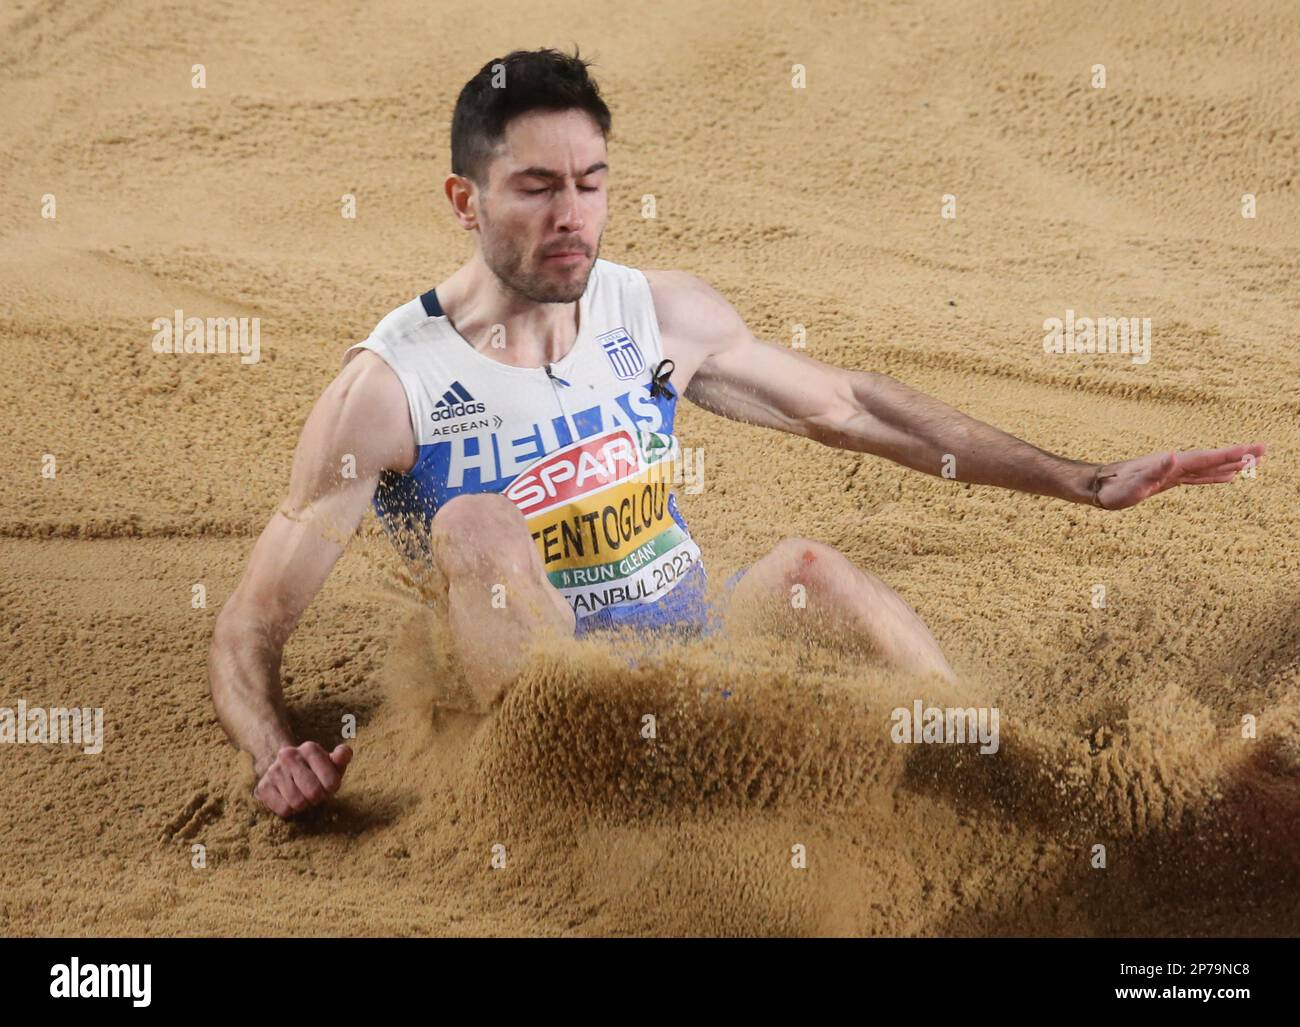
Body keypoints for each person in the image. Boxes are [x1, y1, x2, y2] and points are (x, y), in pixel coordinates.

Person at [208, 47, 1265, 818]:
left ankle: (1005, 770)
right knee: (477, 521)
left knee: (813, 570)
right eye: (535, 187)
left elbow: (854, 408)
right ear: (463, 200)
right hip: (538, 736)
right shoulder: (388, 385)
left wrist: (1079, 480)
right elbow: (249, 625)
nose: (572, 214)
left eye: (590, 181)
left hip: (695, 674)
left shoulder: (655, 312)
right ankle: (602, 801)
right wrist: (272, 748)